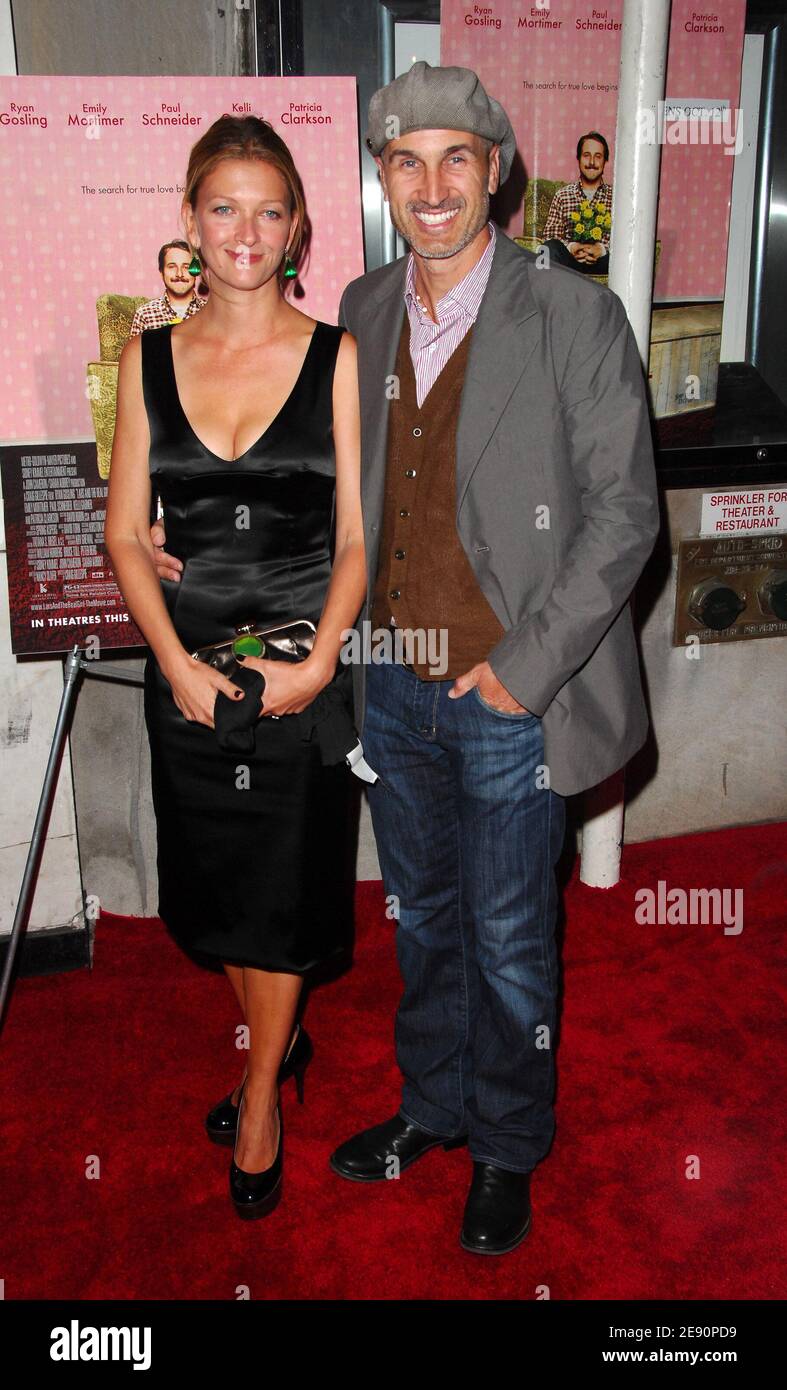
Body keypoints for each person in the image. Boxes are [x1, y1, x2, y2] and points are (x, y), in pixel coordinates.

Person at [152, 63, 659, 1256]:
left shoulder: (572, 315)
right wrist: (182, 535)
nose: (430, 186)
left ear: (496, 173)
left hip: (511, 693)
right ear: (381, 179)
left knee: (511, 935)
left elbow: (624, 516)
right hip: (389, 680)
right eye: (404, 160)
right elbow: (307, 475)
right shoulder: (363, 306)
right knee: (422, 920)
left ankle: (506, 1144)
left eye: (455, 159)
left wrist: (525, 670)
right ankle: (431, 1106)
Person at [105, 114, 366, 1221]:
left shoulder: (336, 355)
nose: (245, 231)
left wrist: (319, 668)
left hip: (303, 674)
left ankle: (260, 1088)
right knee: (222, 899)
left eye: (269, 210)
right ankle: (274, 1037)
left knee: (289, 899)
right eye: (224, 208)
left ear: (298, 224)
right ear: (189, 221)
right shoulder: (145, 358)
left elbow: (356, 537)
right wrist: (170, 662)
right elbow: (126, 533)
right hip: (189, 673)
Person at [539, 131, 613, 274]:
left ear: (605, 161)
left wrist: (601, 249)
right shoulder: (563, 195)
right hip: (569, 264)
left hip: (604, 263)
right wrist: (572, 247)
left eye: (598, 156)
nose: (591, 162)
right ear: (578, 159)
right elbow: (549, 237)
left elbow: (627, 241)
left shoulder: (617, 198)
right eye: (586, 155)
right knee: (548, 248)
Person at [128, 239, 207, 335]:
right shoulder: (145, 315)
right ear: (162, 273)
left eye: (186, 267)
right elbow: (136, 350)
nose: (179, 274)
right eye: (172, 266)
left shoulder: (211, 312)